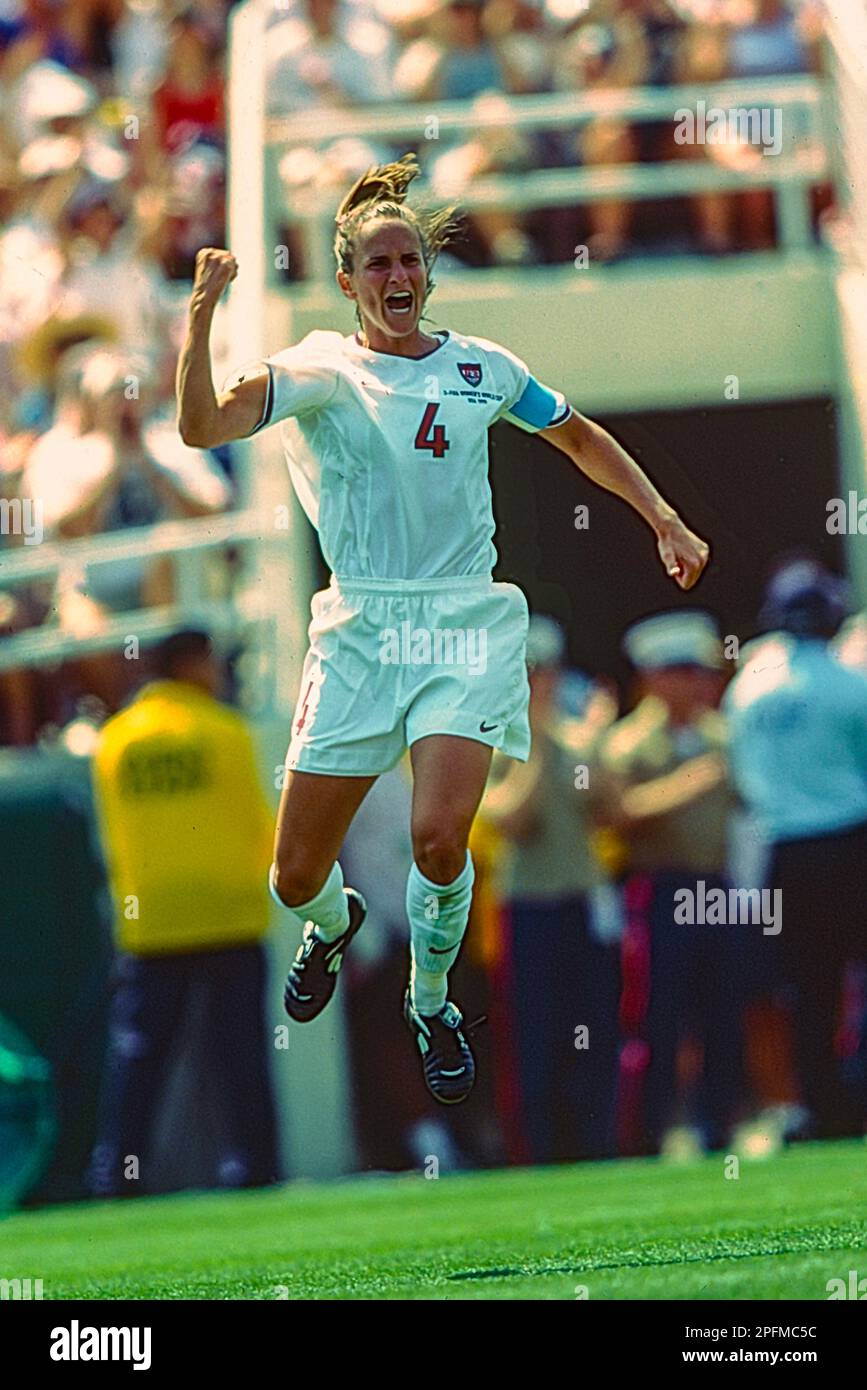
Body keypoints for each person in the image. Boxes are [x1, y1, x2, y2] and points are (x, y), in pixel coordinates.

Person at [175, 153, 709, 1106]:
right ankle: (333, 925)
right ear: (346, 282)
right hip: (360, 630)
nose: (396, 279)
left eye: (408, 261)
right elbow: (203, 427)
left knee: (436, 840)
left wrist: (661, 516)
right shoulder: (318, 370)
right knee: (294, 876)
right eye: (376, 266)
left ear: (428, 271)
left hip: (463, 620)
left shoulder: (481, 367)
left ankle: (432, 1002)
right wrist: (201, 314)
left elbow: (577, 433)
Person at [89, 629, 279, 1196]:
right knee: (241, 1056)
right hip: (228, 914)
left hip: (153, 922)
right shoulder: (225, 732)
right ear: (191, 663)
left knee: (140, 1059)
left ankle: (118, 1173)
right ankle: (256, 1167)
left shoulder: (116, 741)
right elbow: (258, 824)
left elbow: (112, 837)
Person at [725, 559, 867, 1139]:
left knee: (807, 986)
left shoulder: (747, 688)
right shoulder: (848, 683)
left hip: (783, 851)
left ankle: (820, 1104)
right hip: (850, 839)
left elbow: (739, 778)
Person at [479, 615, 621, 1161]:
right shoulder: (493, 748)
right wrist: (538, 741)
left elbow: (610, 812)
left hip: (581, 901)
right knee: (532, 1036)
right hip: (528, 906)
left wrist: (594, 740)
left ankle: (597, 1142)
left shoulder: (578, 740)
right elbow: (514, 819)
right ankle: (536, 1150)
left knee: (593, 1027)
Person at [601, 610, 742, 1153]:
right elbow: (616, 815)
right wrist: (689, 783)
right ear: (653, 677)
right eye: (681, 671)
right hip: (661, 891)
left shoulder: (720, 735)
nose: (696, 683)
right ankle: (647, 1135)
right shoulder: (629, 745)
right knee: (655, 1018)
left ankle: (719, 1128)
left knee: (723, 1014)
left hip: (716, 887)